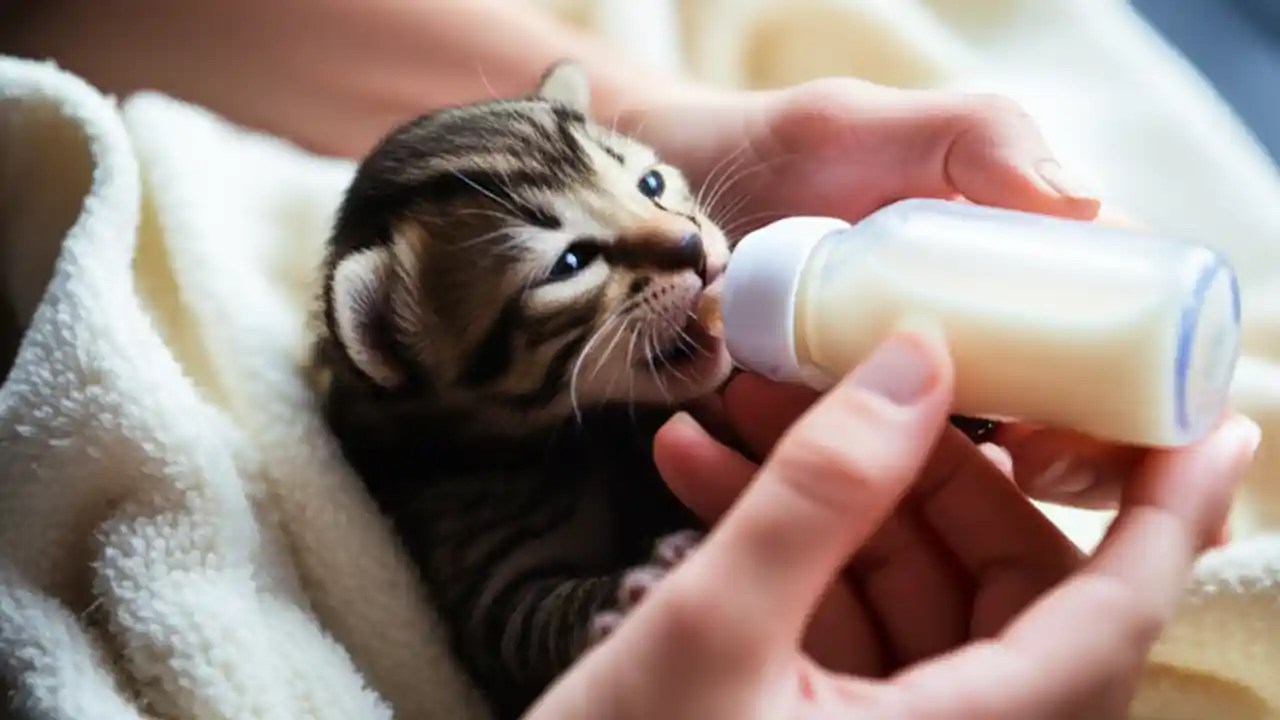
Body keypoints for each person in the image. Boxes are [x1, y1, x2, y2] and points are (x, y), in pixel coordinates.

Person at [0, 1, 1259, 716]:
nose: (681, 239)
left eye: (649, 181)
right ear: (401, 347)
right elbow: (511, 619)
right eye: (567, 267)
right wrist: (613, 613)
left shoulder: (641, 321)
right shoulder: (466, 487)